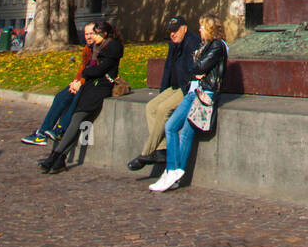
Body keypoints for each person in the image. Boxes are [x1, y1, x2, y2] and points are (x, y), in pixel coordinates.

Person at [149, 16, 227, 193]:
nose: (199, 30)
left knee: (185, 133)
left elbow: (199, 67)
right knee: (171, 126)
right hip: (193, 91)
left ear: (210, 28)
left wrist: (199, 70)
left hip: (205, 94)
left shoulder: (217, 45)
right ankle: (172, 170)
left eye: (202, 26)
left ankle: (174, 173)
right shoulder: (204, 45)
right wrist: (197, 70)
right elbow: (193, 67)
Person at [38, 21, 124, 175]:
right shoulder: (96, 47)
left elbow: (100, 69)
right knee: (74, 119)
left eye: (96, 33)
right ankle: (59, 159)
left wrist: (86, 74)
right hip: (90, 87)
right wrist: (84, 75)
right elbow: (89, 68)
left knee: (77, 120)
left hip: (100, 88)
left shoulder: (113, 46)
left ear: (104, 34)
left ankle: (55, 156)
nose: (93, 37)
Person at [127, 15, 200, 172]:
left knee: (162, 109)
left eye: (175, 31)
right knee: (151, 106)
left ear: (184, 29)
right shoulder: (174, 44)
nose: (172, 34)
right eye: (170, 31)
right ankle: (161, 149)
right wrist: (162, 92)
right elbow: (168, 68)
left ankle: (145, 153)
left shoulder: (192, 42)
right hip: (174, 86)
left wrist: (186, 92)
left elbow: (191, 71)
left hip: (186, 88)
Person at [21, 22, 96, 146]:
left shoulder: (100, 49)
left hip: (92, 85)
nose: (88, 36)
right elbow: (83, 68)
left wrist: (81, 83)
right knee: (61, 96)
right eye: (86, 34)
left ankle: (60, 130)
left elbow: (95, 71)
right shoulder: (87, 48)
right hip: (82, 82)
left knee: (76, 99)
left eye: (91, 33)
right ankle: (42, 132)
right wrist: (75, 81)